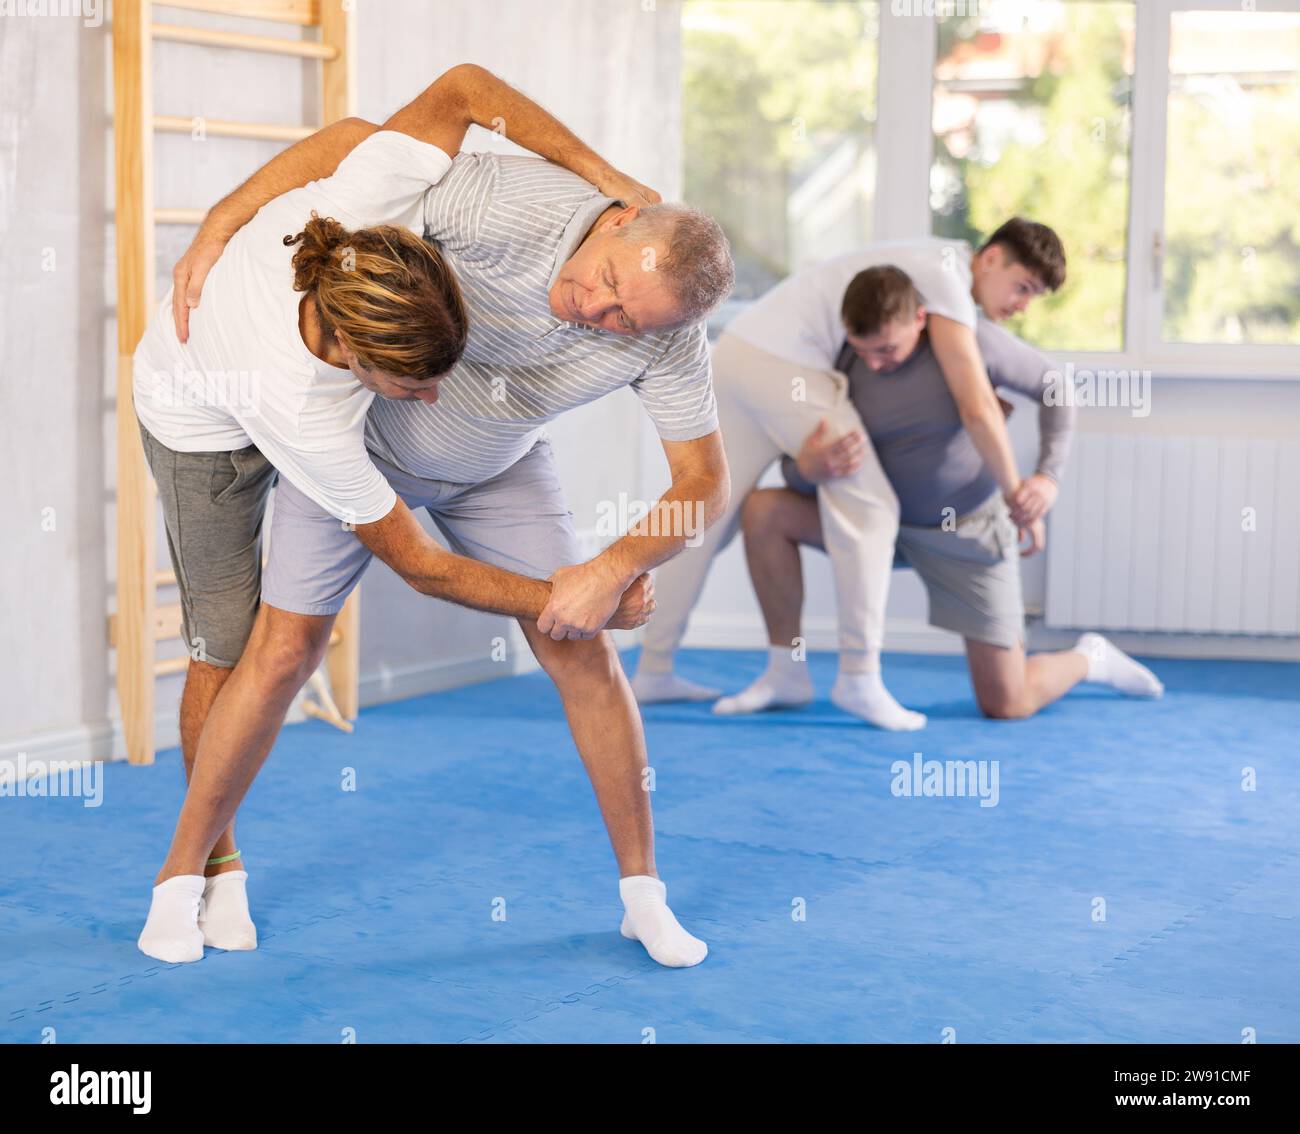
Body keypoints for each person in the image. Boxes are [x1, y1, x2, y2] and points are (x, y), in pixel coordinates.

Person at [137, 72, 735, 969]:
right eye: (606, 283)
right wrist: (219, 223)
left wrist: (610, 567)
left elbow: (704, 482)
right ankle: (182, 882)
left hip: (496, 466)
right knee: (278, 650)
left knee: (580, 651)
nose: (596, 312)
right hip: (358, 455)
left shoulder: (665, 330)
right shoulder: (504, 200)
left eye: (624, 321)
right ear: (616, 219)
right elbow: (363, 138)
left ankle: (642, 895)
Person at [632, 220, 1067, 730]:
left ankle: (655, 668)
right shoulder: (947, 277)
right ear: (989, 259)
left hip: (735, 352)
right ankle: (859, 676)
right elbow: (977, 409)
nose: (1022, 305)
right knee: (871, 506)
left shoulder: (919, 262)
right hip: (783, 363)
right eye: (1022, 288)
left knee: (705, 515)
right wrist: (1020, 495)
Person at [730, 265, 1163, 719]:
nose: (874, 364)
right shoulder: (838, 357)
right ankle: (786, 671)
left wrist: (1046, 478)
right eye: (864, 351)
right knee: (764, 510)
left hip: (966, 529)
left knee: (1007, 702)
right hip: (877, 526)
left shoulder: (972, 342)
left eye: (886, 350)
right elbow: (805, 455)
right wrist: (806, 468)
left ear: (920, 319)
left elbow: (1056, 387)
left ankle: (1090, 658)